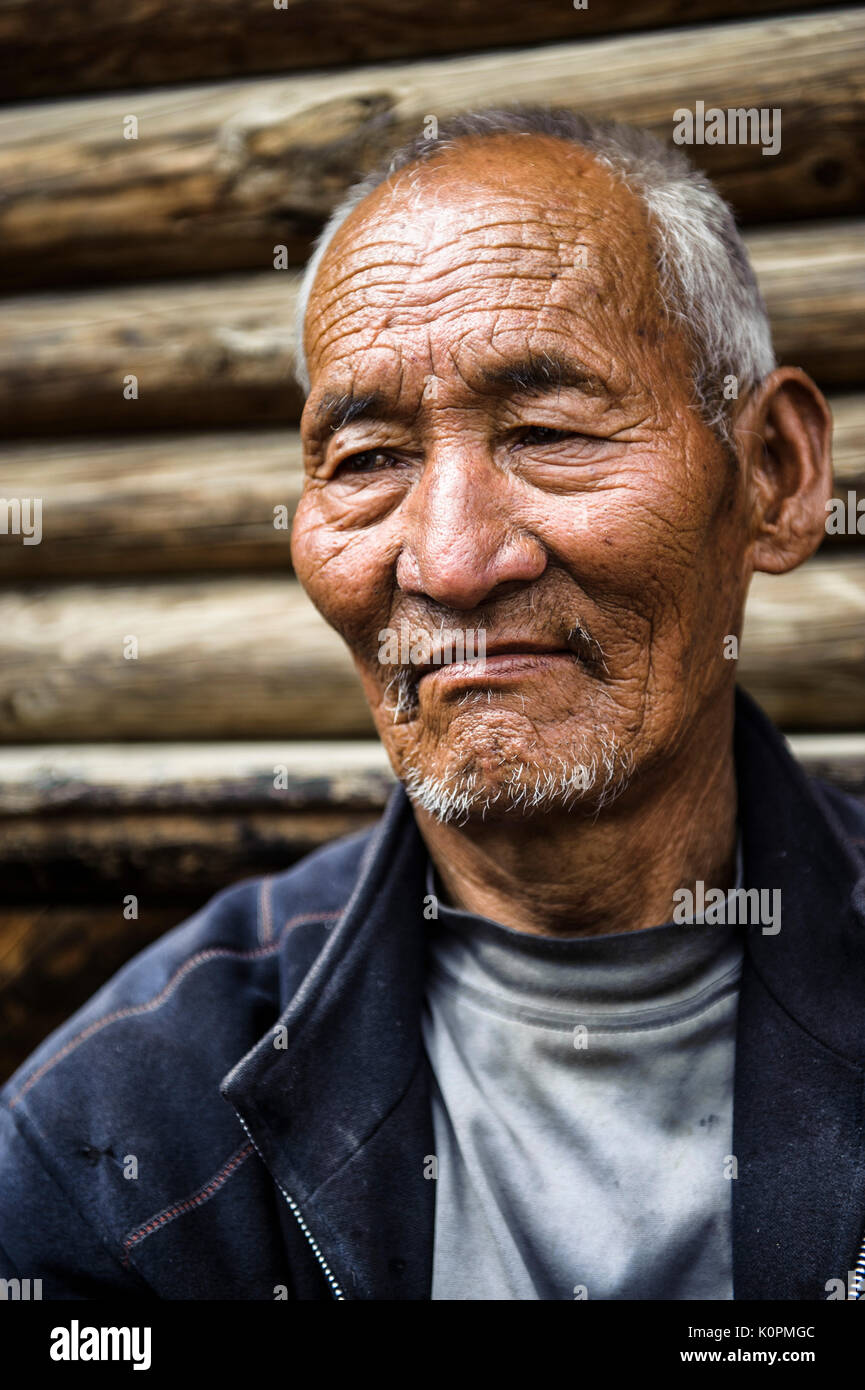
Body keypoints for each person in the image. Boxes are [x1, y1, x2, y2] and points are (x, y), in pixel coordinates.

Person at [2, 107, 863, 1301]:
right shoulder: (122, 1138)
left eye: (550, 430)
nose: (452, 562)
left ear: (773, 473)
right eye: (367, 461)